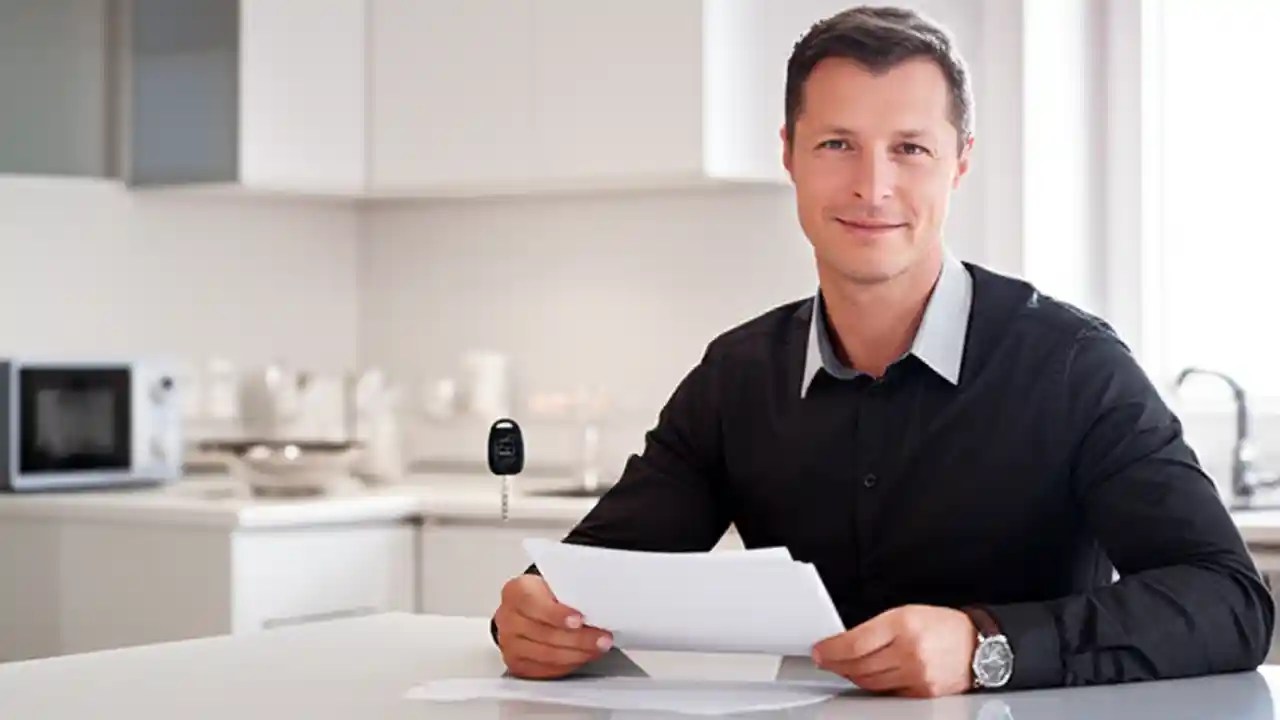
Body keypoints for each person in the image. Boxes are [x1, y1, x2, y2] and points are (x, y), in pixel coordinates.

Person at [490, 5, 1275, 698]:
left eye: (910, 149)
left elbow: (1230, 603)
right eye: (837, 143)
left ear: (960, 161)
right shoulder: (737, 377)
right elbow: (593, 574)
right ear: (789, 154)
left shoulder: (1074, 365)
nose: (873, 186)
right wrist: (530, 612)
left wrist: (986, 646)